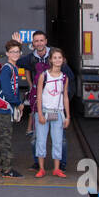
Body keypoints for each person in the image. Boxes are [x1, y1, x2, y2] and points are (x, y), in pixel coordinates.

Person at [13, 30, 75, 169]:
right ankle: (37, 163)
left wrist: (65, 102)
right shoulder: (31, 58)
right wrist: (18, 47)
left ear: (46, 41)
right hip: (40, 105)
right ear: (33, 44)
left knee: (60, 138)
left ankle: (61, 164)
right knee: (37, 137)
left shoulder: (56, 57)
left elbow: (70, 78)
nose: (39, 43)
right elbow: (17, 61)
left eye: (42, 40)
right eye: (36, 41)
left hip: (56, 106)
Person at [32, 47, 70, 178]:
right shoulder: (44, 76)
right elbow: (39, 95)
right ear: (51, 60)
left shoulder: (64, 77)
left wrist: (67, 116)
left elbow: (65, 97)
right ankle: (41, 168)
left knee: (58, 141)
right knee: (41, 140)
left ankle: (56, 168)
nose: (57, 60)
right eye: (55, 58)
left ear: (63, 60)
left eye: (60, 58)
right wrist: (40, 114)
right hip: (44, 111)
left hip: (58, 112)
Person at [0, 40, 24, 178]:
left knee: (1, 138)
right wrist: (18, 103)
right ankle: (7, 170)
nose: (15, 54)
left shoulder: (13, 68)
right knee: (5, 140)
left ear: (20, 53)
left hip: (6, 109)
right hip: (5, 109)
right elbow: (7, 91)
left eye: (17, 51)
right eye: (12, 52)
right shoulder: (7, 69)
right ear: (7, 53)